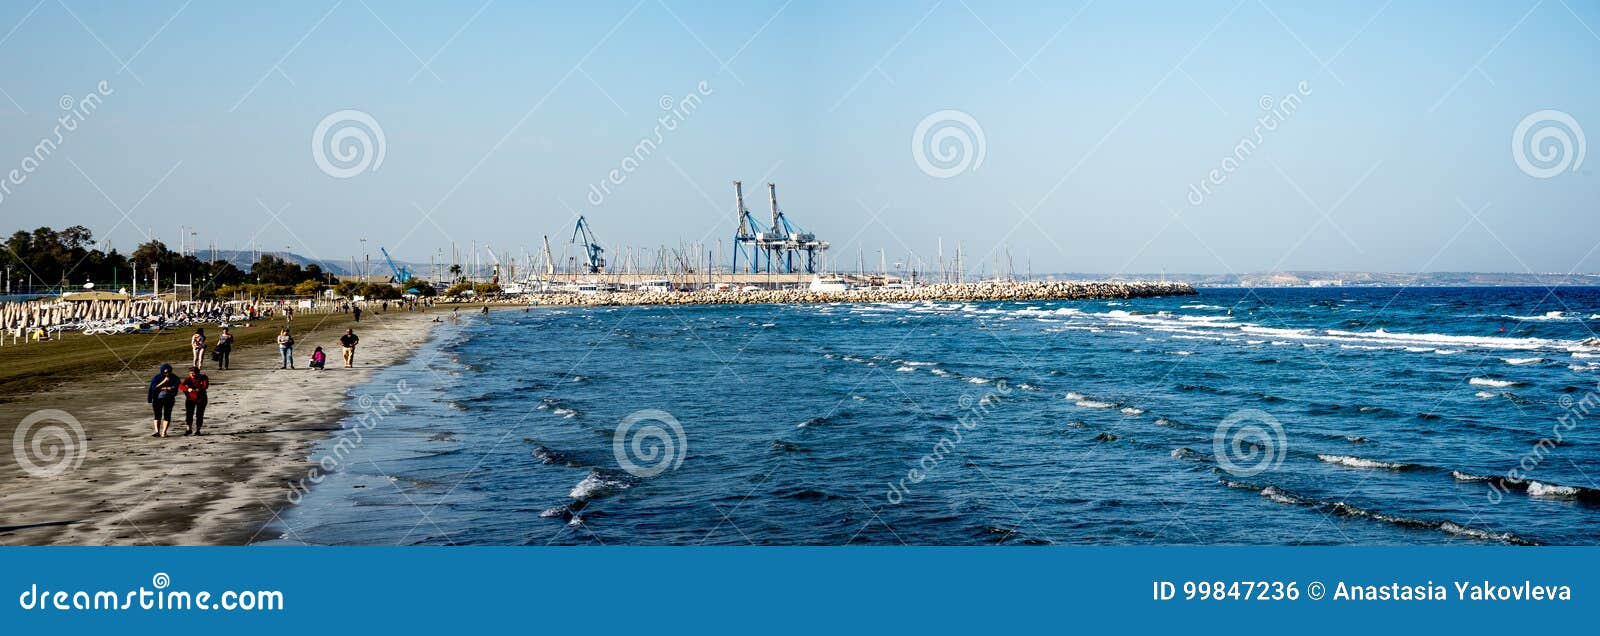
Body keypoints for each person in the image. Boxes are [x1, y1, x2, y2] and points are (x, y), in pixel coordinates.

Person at [147, 363, 178, 438]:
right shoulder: (157, 377)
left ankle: (164, 432)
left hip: (169, 398)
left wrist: (167, 388)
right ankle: (157, 431)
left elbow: (175, 387)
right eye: (165, 372)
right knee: (157, 415)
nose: (167, 373)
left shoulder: (174, 377)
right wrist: (164, 382)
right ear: (162, 371)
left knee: (167, 415)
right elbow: (153, 388)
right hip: (157, 399)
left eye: (168, 372)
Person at [179, 367, 209, 436]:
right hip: (190, 399)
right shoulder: (188, 379)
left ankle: (198, 430)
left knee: (199, 414)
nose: (192, 375)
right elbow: (181, 386)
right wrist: (187, 389)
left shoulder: (203, 377)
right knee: (189, 414)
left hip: (201, 398)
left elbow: (205, 386)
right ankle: (188, 429)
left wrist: (199, 389)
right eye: (191, 373)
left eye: (194, 374)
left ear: (198, 373)